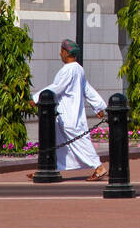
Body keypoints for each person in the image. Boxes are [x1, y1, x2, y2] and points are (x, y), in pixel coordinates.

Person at [33, 40, 108, 181]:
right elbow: (87, 89)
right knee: (59, 143)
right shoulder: (78, 69)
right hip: (70, 114)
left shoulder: (69, 70)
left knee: (79, 142)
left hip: (68, 115)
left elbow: (56, 87)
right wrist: (98, 106)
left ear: (66, 53)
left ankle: (98, 167)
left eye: (61, 51)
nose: (60, 54)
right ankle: (49, 168)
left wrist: (36, 98)